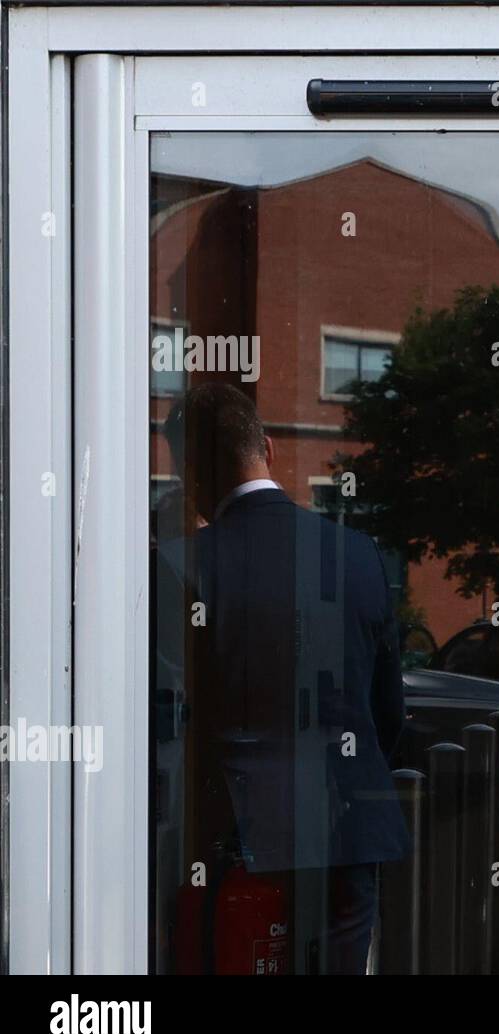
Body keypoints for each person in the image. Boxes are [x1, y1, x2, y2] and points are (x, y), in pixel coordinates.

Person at [157, 382, 409, 973]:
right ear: (267, 449)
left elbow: (170, 719)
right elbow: (387, 711)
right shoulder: (358, 553)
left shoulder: (176, 563)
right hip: (347, 831)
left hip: (235, 843)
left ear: (189, 474)